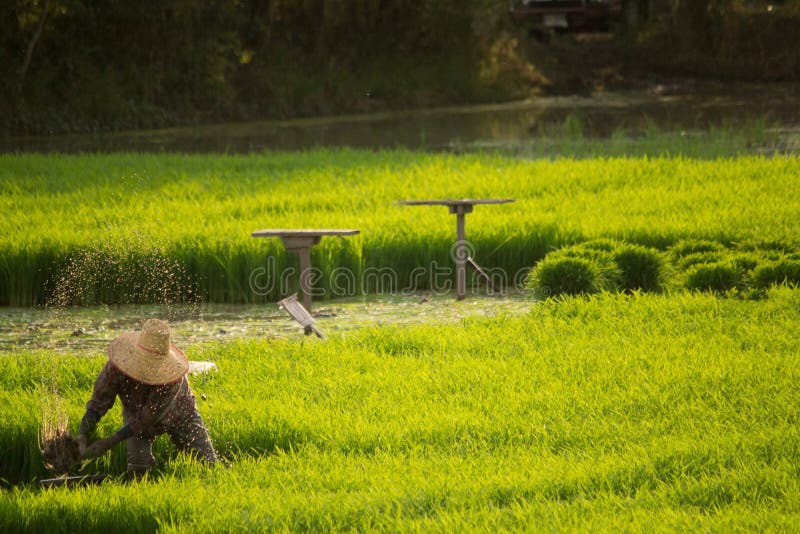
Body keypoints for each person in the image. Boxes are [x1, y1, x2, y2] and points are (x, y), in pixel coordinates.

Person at [77, 318, 217, 477]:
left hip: (180, 410)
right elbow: (98, 402)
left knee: (209, 466)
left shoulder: (172, 378)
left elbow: (148, 418)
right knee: (137, 468)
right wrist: (82, 434)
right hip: (135, 411)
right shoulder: (118, 365)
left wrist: (108, 443)